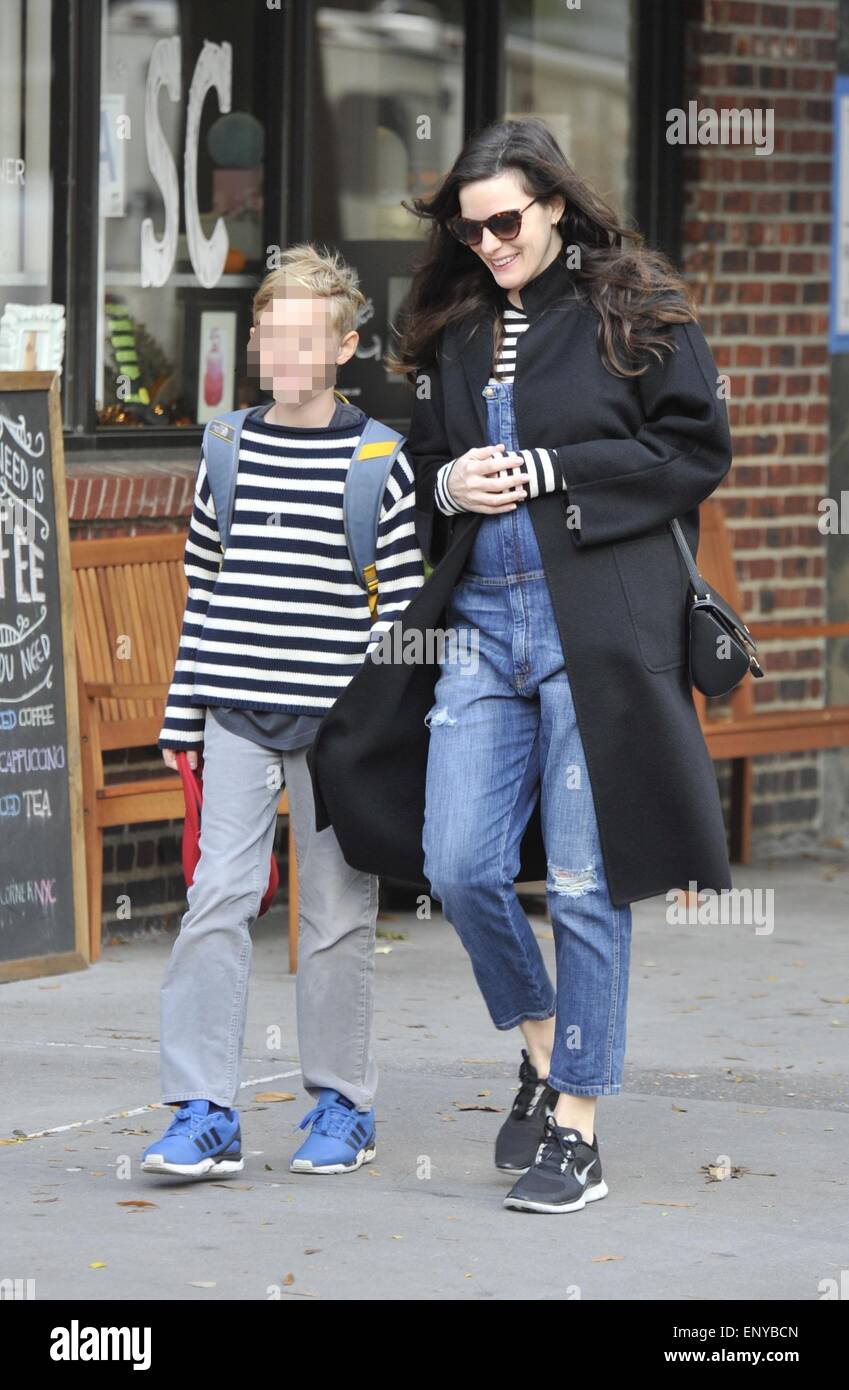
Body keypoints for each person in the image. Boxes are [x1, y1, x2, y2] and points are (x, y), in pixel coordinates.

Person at [307, 115, 734, 1216]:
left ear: (554, 205)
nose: (489, 243)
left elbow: (693, 449)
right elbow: (430, 453)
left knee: (590, 882)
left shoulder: (632, 307)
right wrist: (448, 488)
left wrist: (554, 470)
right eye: (471, 227)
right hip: (483, 628)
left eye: (506, 222)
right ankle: (548, 1048)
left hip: (594, 628)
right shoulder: (456, 324)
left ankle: (579, 1128)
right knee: (457, 864)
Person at [142, 244, 425, 1180]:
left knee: (337, 917)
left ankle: (342, 1105)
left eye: (309, 338)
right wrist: (182, 717)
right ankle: (203, 1110)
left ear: (345, 346)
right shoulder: (224, 448)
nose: (287, 355)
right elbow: (204, 590)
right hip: (231, 712)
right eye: (273, 336)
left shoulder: (378, 461)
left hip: (338, 730)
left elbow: (401, 620)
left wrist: (391, 744)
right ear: (256, 341)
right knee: (216, 899)